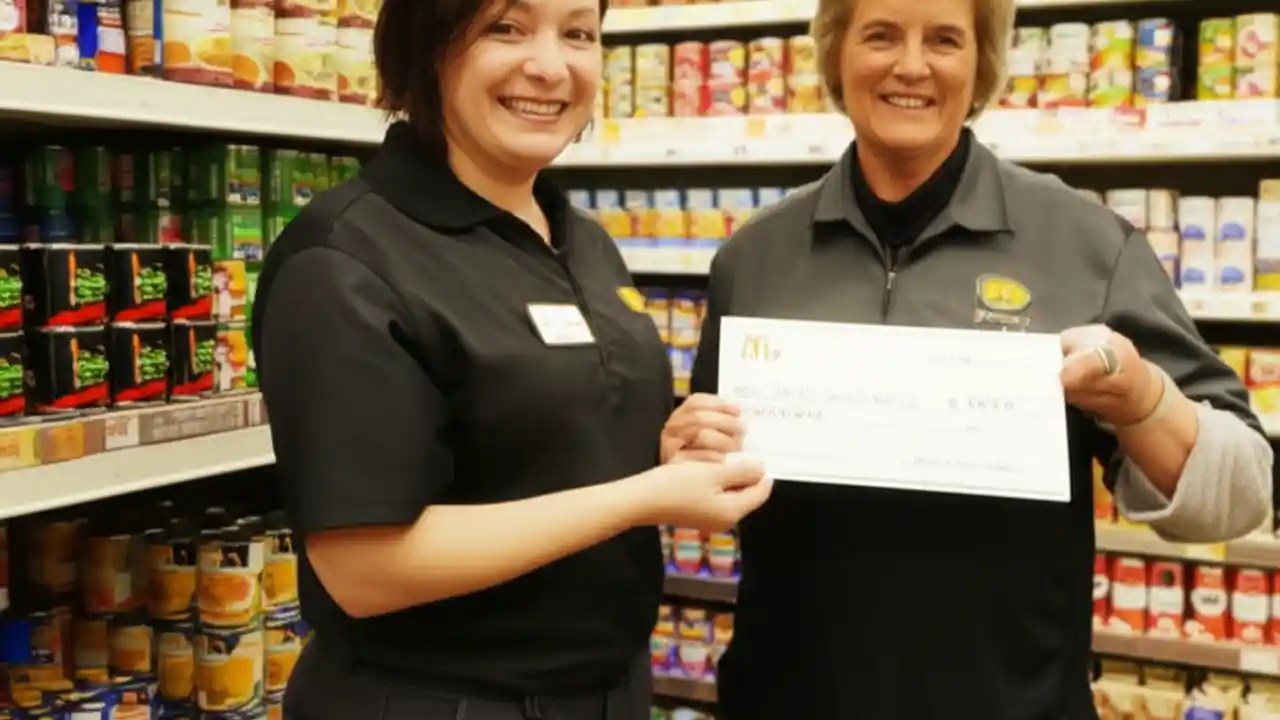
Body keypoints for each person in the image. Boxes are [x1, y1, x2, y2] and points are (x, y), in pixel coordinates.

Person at [663, 0, 1277, 716]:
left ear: (982, 64)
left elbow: (1242, 494)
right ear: (835, 54)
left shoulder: (1086, 245)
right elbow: (722, 478)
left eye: (945, 40)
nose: (912, 65)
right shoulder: (754, 256)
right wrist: (689, 452)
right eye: (881, 35)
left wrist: (1143, 398)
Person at [249, 0, 773, 717]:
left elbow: (535, 436)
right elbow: (364, 568)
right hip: (439, 701)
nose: (551, 66)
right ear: (426, 44)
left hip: (603, 689)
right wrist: (644, 497)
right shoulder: (345, 259)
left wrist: (661, 448)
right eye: (507, 27)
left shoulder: (581, 239)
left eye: (579, 33)